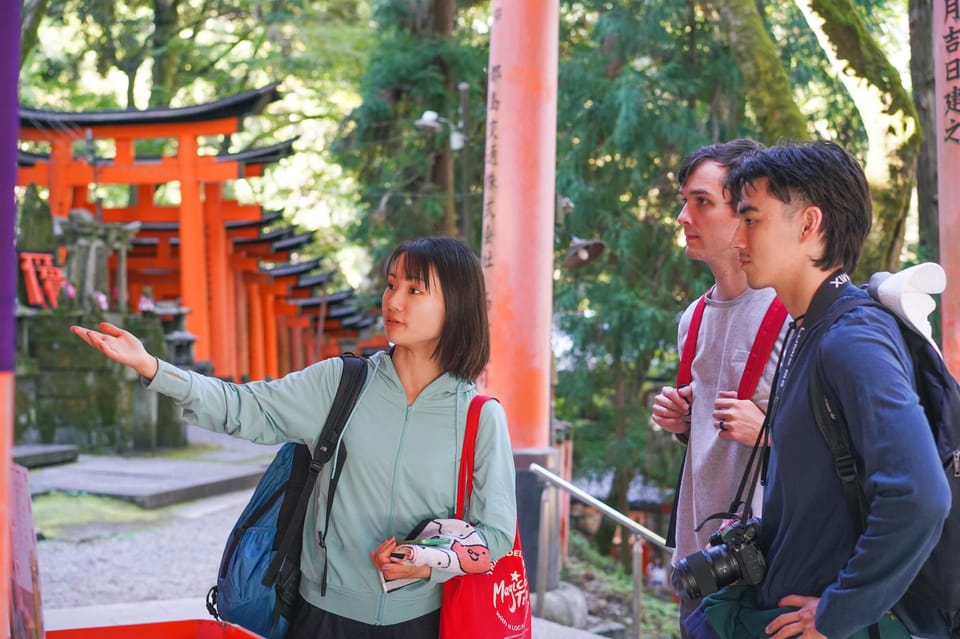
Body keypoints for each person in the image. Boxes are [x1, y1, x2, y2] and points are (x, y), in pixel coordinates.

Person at [71, 236, 518, 639]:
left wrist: (427, 560)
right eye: (391, 284)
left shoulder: (479, 417)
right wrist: (154, 368)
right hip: (321, 616)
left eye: (414, 290)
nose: (393, 300)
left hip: (422, 622)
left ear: (455, 306)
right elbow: (244, 407)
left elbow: (494, 532)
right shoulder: (342, 382)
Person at [713, 140, 951, 638]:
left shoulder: (852, 338)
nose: (736, 239)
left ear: (808, 225)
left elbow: (919, 494)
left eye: (751, 219)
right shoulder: (810, 328)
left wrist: (841, 610)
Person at [651, 139, 787, 634]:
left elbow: (847, 442)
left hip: (767, 563)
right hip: (699, 559)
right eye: (685, 201)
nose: (684, 216)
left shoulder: (791, 312)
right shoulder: (693, 318)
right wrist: (681, 418)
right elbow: (707, 428)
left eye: (701, 202)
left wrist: (772, 432)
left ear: (746, 211)